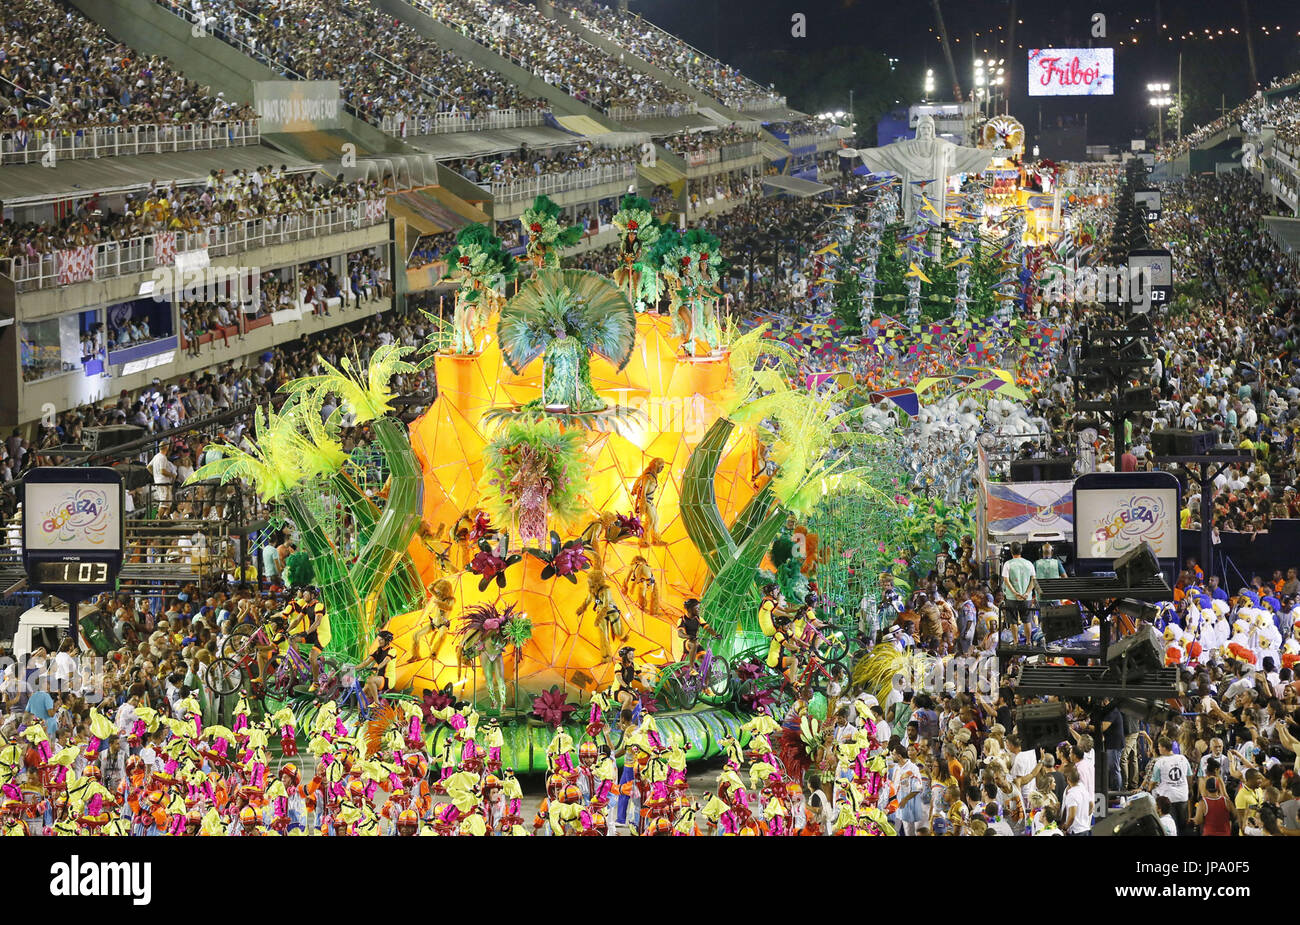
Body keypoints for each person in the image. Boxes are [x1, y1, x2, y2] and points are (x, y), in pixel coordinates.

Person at [1000, 542, 1037, 643]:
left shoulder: (1008, 564)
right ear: (1021, 551)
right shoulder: (1029, 564)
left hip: (1012, 598)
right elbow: (1034, 580)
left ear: (1011, 551)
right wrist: (1027, 593)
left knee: (1013, 621)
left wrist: (1015, 593)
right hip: (1026, 598)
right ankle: (1028, 642)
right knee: (1027, 620)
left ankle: (1016, 642)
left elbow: (1006, 581)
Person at [360, 630, 395, 706]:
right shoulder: (378, 651)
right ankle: (361, 715)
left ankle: (376, 702)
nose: (379, 641)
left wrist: (377, 668)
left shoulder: (392, 650)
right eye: (379, 639)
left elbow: (385, 661)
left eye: (381, 639)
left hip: (388, 680)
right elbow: (366, 662)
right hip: (379, 678)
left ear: (387, 640)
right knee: (361, 694)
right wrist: (353, 667)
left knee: (370, 680)